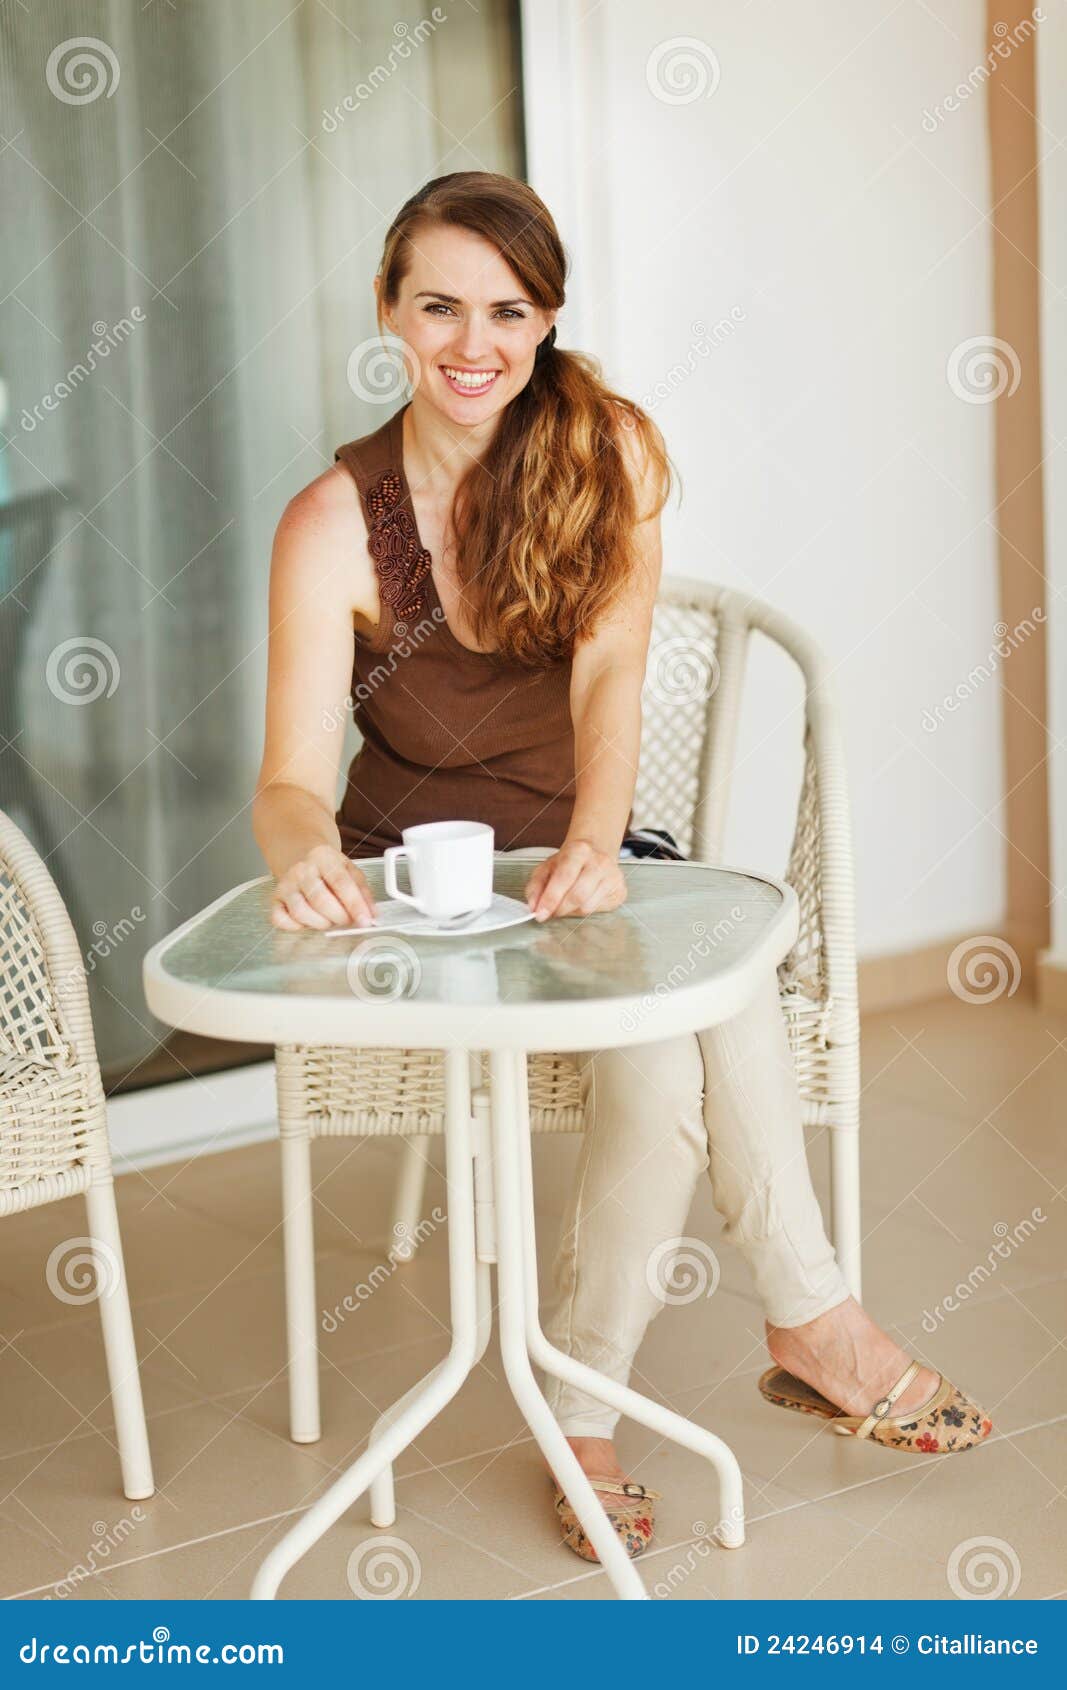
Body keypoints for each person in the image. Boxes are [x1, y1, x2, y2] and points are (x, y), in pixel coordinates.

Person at [251, 171, 992, 1566]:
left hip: (577, 852)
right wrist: (302, 860)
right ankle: (812, 1318)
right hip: (417, 897)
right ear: (388, 312)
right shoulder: (331, 522)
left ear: (547, 318)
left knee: (697, 1002)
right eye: (441, 307)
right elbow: (290, 780)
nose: (475, 343)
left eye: (509, 311)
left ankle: (593, 1404)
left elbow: (609, 688)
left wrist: (597, 840)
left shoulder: (606, 458)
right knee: (695, 1008)